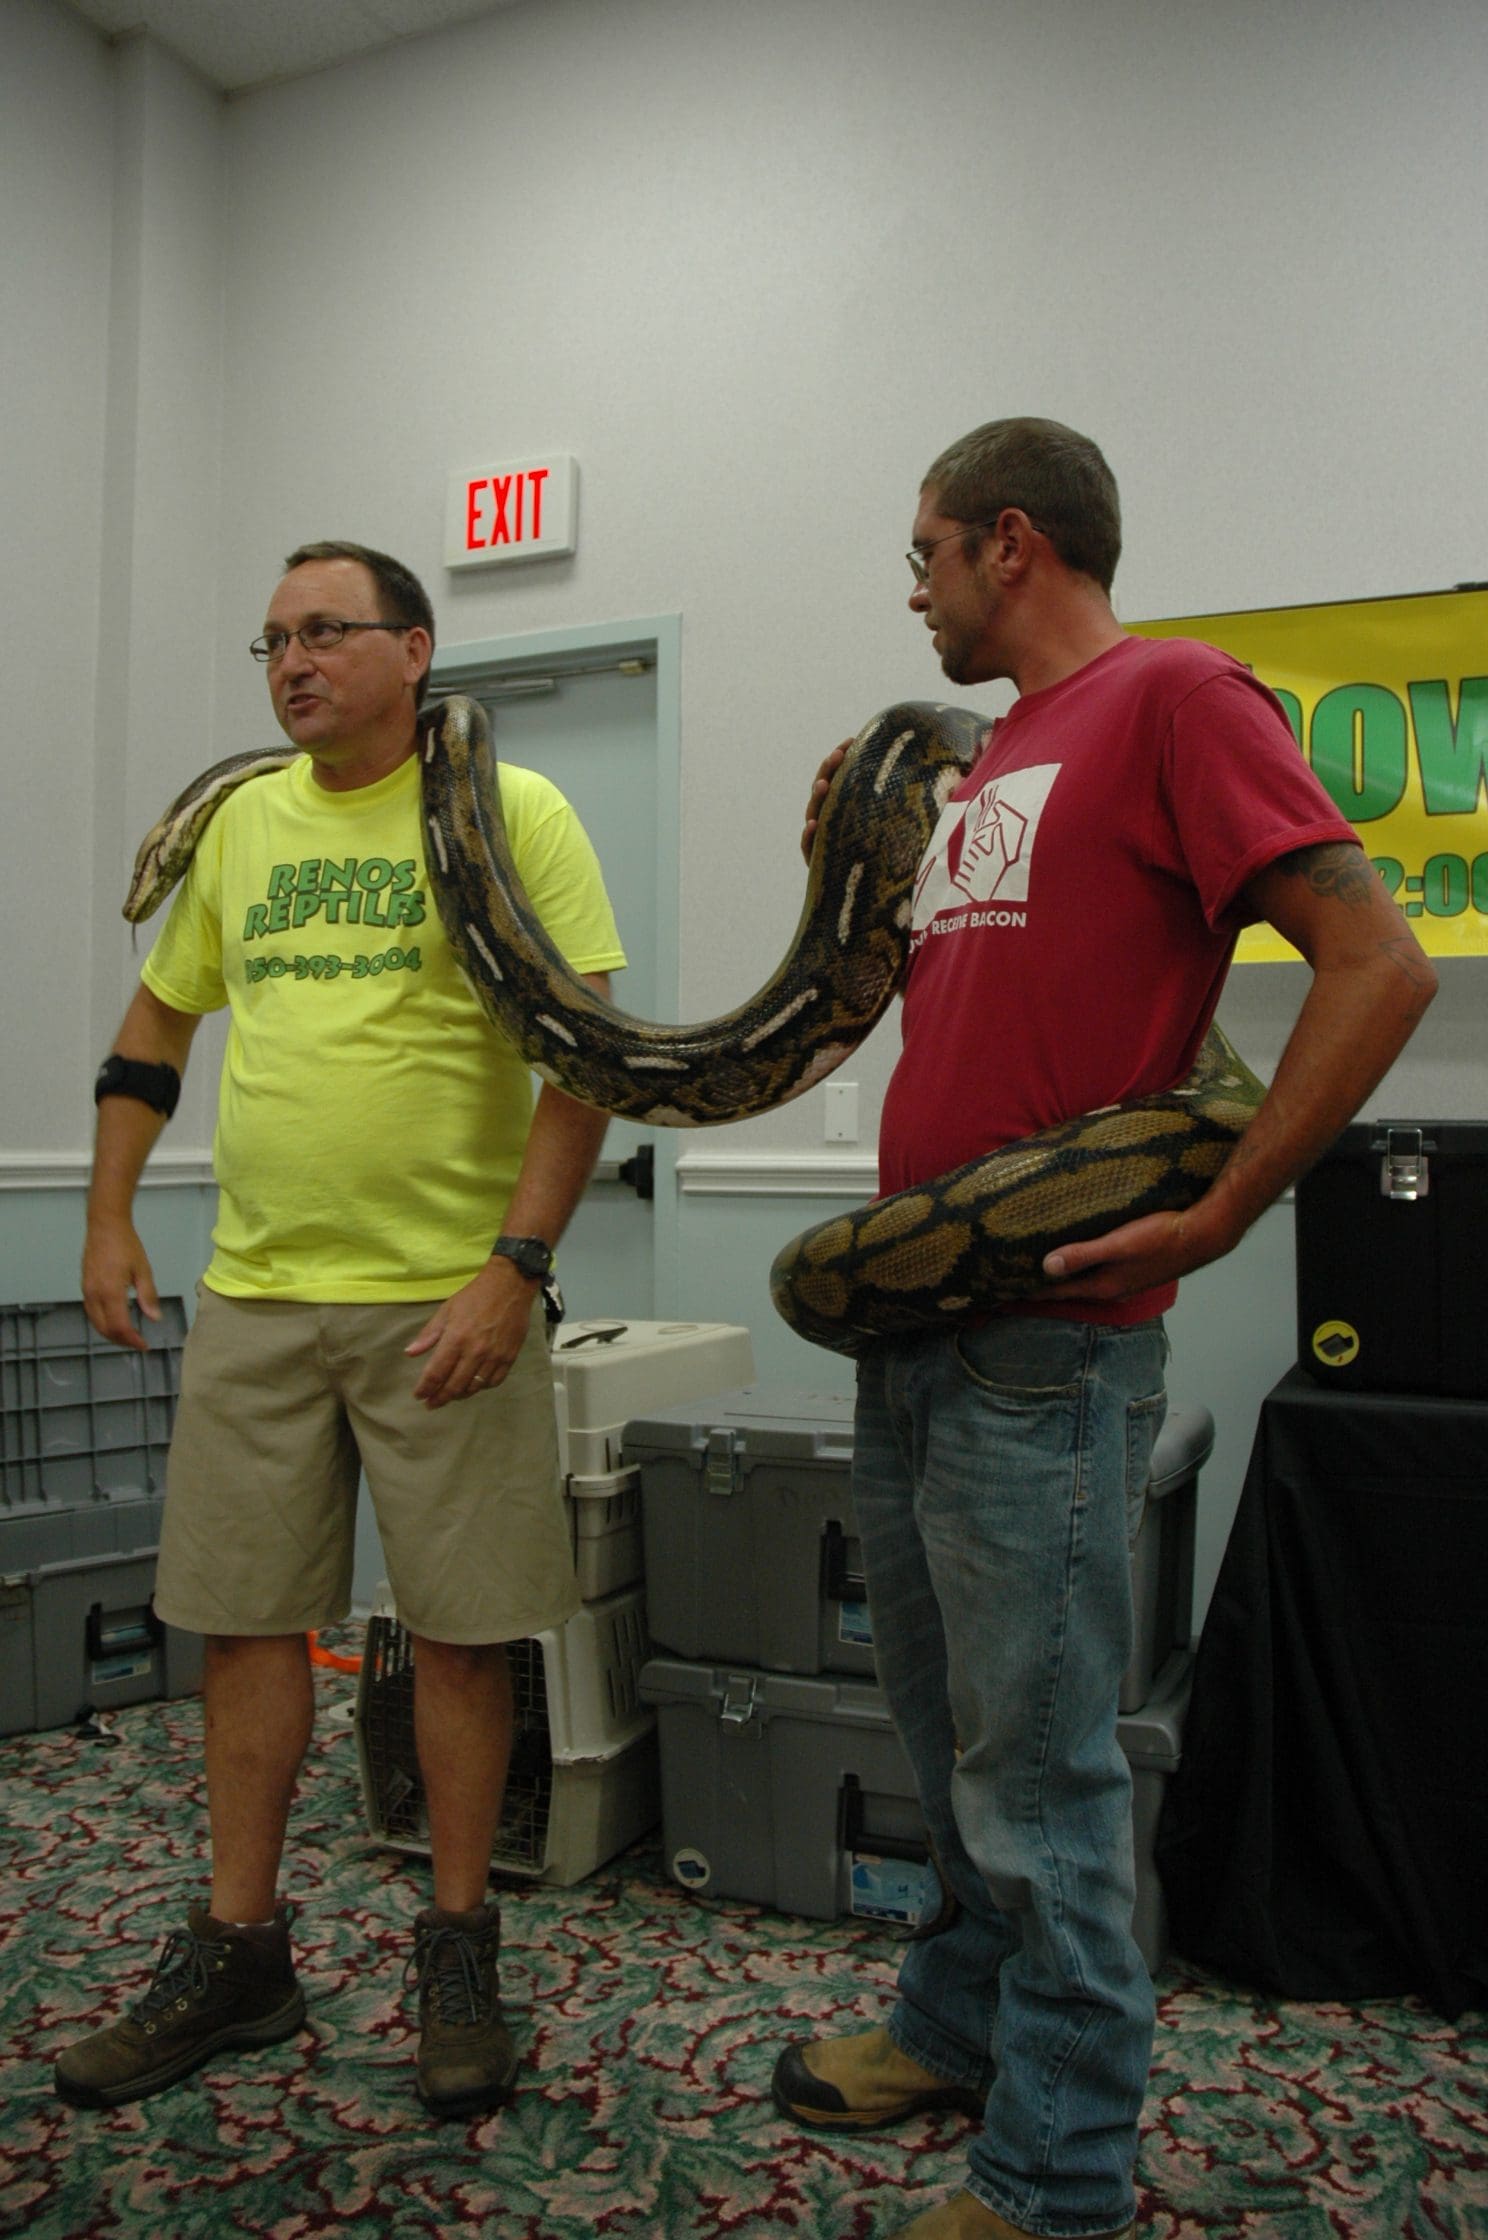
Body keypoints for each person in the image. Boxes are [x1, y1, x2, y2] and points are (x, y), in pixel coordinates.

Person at [771, 419, 1437, 2240]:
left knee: (1043, 1771)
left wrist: (1229, 1209)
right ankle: (954, 2028)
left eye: (923, 556)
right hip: (920, 1332)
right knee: (947, 1734)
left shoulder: (1175, 699)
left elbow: (1380, 964)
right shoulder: (994, 760)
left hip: (1044, 1350)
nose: (910, 593)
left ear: (1009, 543)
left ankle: (1056, 2171)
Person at [56, 540, 625, 2121]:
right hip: (256, 1293)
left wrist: (517, 1264)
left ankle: (457, 1949)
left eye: (325, 633)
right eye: (272, 641)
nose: (292, 662)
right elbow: (156, 1025)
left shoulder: (514, 818)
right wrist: (107, 1214)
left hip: (447, 1298)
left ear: (414, 649)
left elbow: (585, 1058)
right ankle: (242, 1948)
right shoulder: (244, 825)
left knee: (457, 1628)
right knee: (243, 1619)